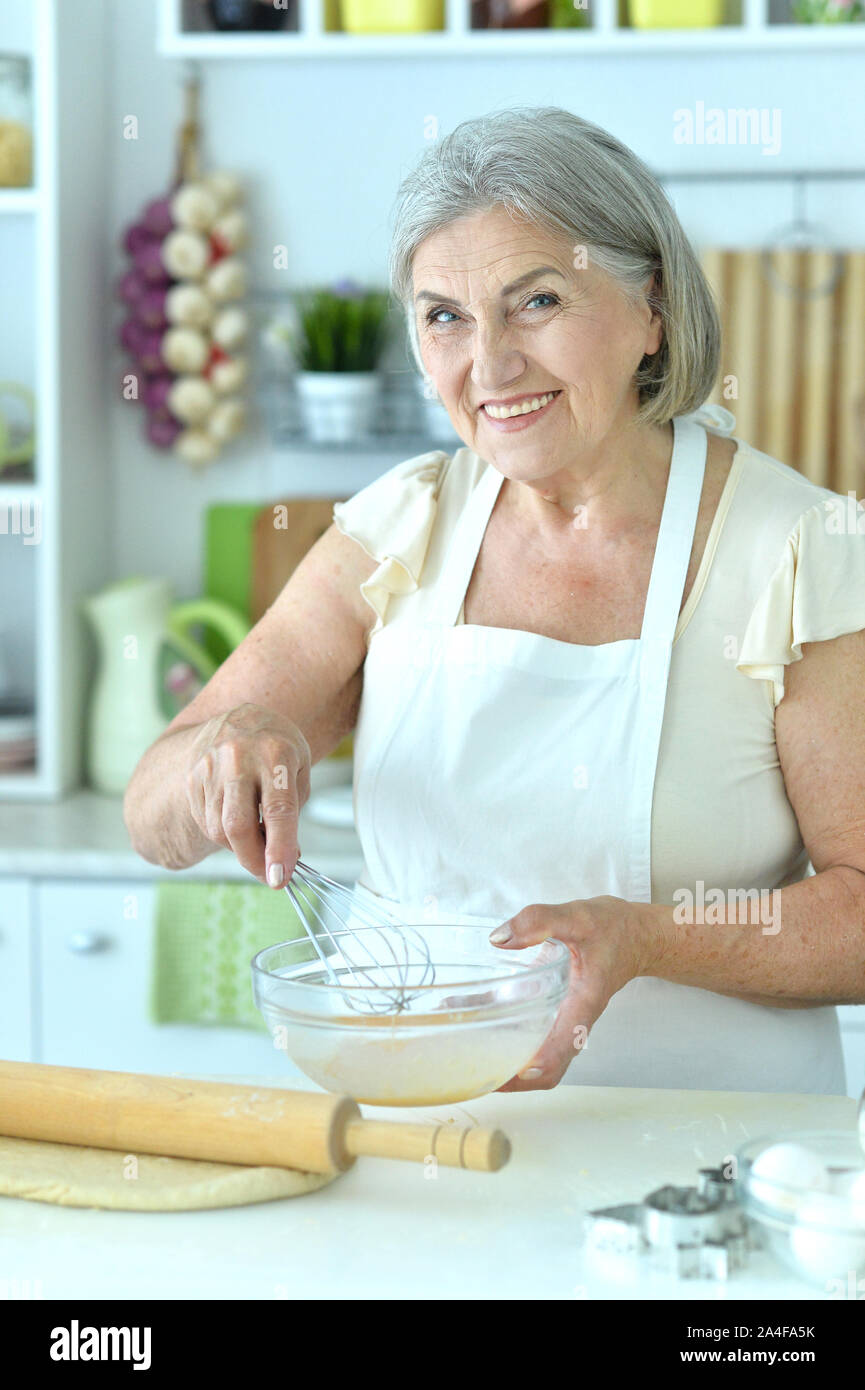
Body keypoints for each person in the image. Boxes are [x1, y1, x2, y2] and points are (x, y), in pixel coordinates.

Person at [124, 107, 865, 1094]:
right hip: (417, 1144)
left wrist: (649, 938)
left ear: (651, 307)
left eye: (539, 301)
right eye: (445, 316)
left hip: (705, 1173)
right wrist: (222, 755)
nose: (491, 364)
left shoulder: (794, 546)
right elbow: (151, 810)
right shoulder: (399, 530)